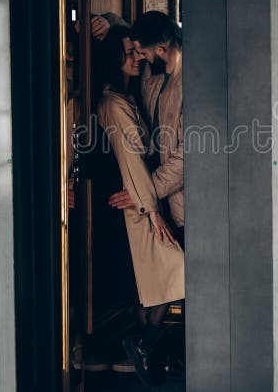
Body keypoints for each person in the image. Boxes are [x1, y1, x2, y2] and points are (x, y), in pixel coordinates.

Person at [95, 25, 185, 385]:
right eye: (129, 54)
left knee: (157, 281)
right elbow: (131, 159)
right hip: (138, 205)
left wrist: (109, 19)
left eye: (139, 52)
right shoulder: (115, 102)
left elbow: (144, 33)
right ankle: (142, 344)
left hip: (145, 199)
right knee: (167, 273)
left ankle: (145, 346)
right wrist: (151, 209)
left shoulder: (136, 88)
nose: (138, 58)